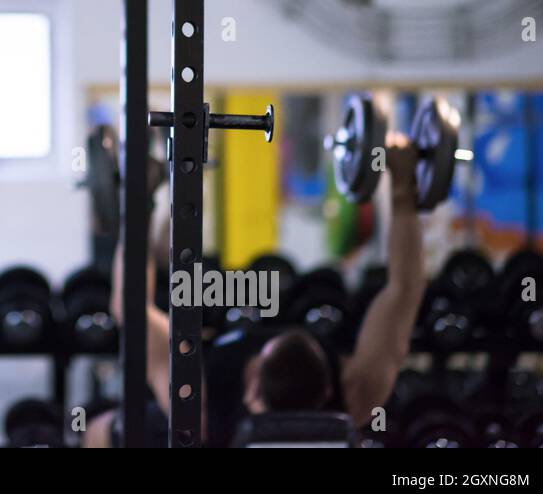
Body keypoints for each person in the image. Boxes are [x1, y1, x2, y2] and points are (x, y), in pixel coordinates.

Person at [85, 131, 425, 447]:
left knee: (101, 431)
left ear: (250, 391)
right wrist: (403, 187)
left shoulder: (199, 405)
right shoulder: (353, 393)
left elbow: (131, 309)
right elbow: (404, 290)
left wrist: (140, 201)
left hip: (202, 425)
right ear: (326, 390)